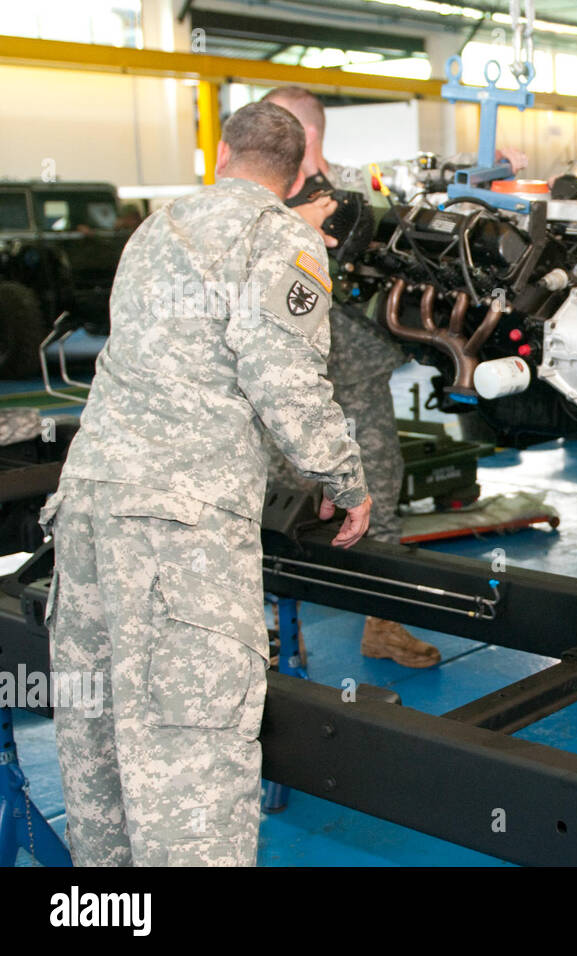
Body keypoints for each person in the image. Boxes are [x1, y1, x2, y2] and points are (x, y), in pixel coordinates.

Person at [39, 100, 372, 866]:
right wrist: (344, 478)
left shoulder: (156, 229)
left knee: (100, 743)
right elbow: (282, 377)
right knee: (192, 758)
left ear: (221, 153)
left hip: (89, 509)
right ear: (294, 176)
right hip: (179, 528)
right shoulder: (283, 237)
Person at [261, 86, 439, 668]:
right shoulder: (255, 202)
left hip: (357, 383)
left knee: (379, 503)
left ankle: (383, 627)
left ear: (308, 136)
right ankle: (279, 634)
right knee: (272, 508)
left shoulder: (357, 194)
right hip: (278, 388)